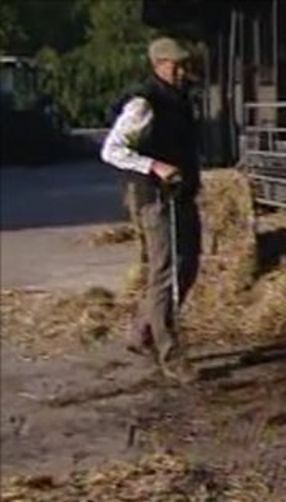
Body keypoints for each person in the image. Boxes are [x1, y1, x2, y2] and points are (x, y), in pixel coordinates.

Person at [101, 37, 201, 384]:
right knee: (166, 271)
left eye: (185, 64)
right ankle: (170, 354)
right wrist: (154, 166)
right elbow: (112, 150)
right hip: (153, 196)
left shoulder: (180, 97)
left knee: (189, 264)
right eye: (177, 65)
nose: (183, 71)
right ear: (159, 64)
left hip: (181, 191)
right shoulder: (144, 102)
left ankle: (142, 331)